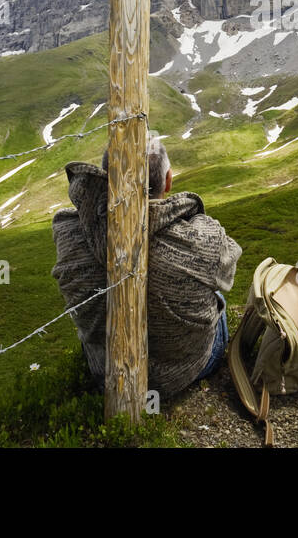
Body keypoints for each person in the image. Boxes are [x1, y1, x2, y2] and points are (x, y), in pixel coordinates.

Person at [51, 131, 241, 398]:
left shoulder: (68, 233)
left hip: (106, 373)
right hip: (185, 372)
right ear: (168, 180)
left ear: (108, 181)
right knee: (216, 291)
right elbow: (229, 268)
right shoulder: (203, 240)